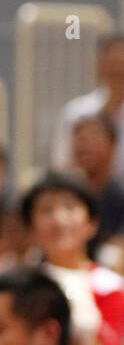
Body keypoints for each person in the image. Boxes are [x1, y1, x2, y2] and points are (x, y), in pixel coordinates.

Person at [21, 172, 124, 345]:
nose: (59, 219)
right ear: (31, 228)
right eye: (46, 210)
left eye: (70, 207)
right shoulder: (20, 287)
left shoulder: (111, 287)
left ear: (91, 223)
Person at [52, 35, 124, 178]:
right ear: (98, 66)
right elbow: (62, 164)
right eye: (113, 64)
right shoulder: (75, 112)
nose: (118, 71)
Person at [66, 112, 124, 264]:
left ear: (113, 146)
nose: (84, 146)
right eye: (80, 138)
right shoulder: (65, 196)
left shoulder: (120, 196)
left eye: (93, 138)